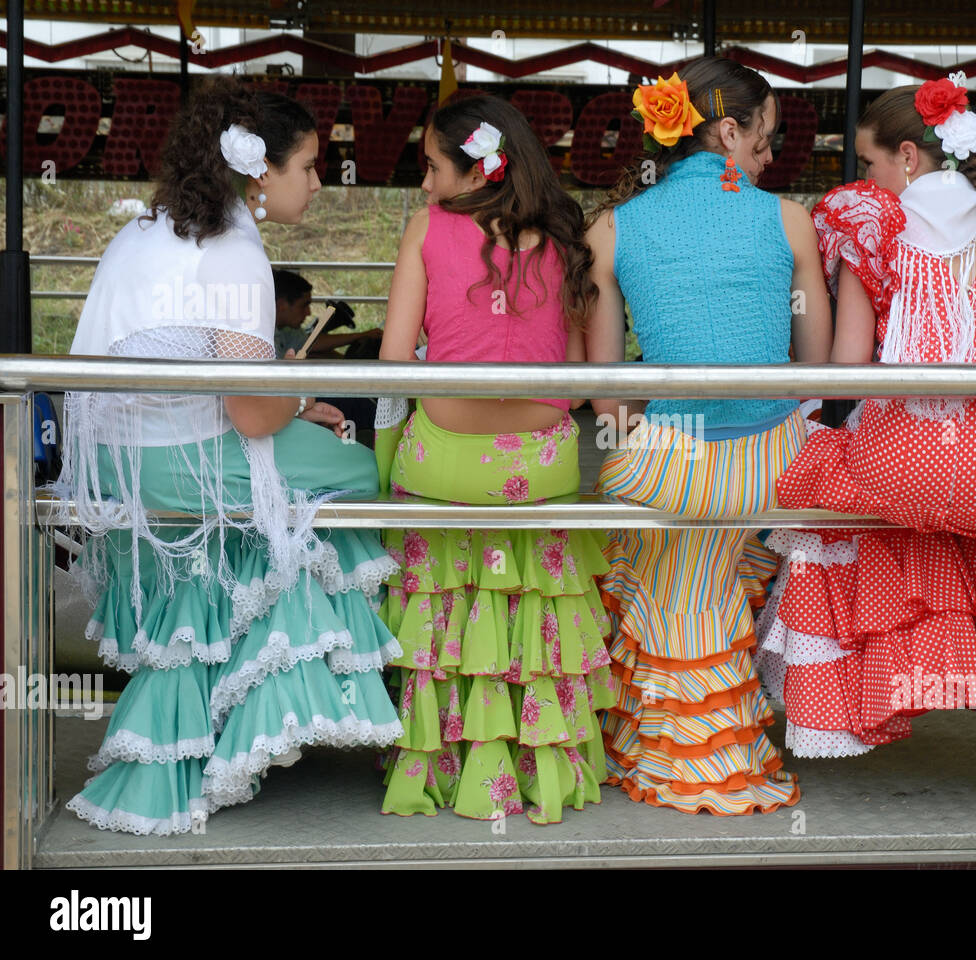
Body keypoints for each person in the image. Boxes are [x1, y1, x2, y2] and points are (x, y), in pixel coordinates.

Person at [55, 77, 404, 835]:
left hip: (116, 461)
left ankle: (238, 682)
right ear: (259, 170)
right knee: (356, 470)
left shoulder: (150, 227)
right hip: (177, 461)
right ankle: (279, 683)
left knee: (294, 474)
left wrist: (286, 403)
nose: (318, 182)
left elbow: (228, 392)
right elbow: (252, 412)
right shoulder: (237, 250)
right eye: (309, 165)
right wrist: (298, 390)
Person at [755, 76, 976, 758]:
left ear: (908, 156)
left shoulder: (874, 227)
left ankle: (845, 703)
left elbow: (847, 370)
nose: (868, 178)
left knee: (819, 481)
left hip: (898, 470)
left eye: (870, 163)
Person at [585, 57, 832, 814]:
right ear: (729, 129)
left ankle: (669, 745)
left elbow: (607, 399)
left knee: (657, 546)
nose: (769, 153)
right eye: (766, 136)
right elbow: (812, 367)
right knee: (714, 565)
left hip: (669, 455)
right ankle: (710, 741)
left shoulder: (613, 226)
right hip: (773, 463)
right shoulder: (788, 218)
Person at [375, 95, 615, 824]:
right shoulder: (571, 239)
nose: (425, 185)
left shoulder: (426, 230)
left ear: (476, 165)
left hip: (444, 463)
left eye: (431, 166)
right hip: (540, 467)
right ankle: (539, 776)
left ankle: (441, 771)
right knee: (534, 627)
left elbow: (391, 361)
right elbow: (585, 376)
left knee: (445, 628)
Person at [272, 269, 384, 358]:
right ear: (282, 305)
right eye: (303, 306)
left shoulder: (286, 331)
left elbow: (312, 343)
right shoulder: (264, 337)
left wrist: (361, 335)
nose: (308, 312)